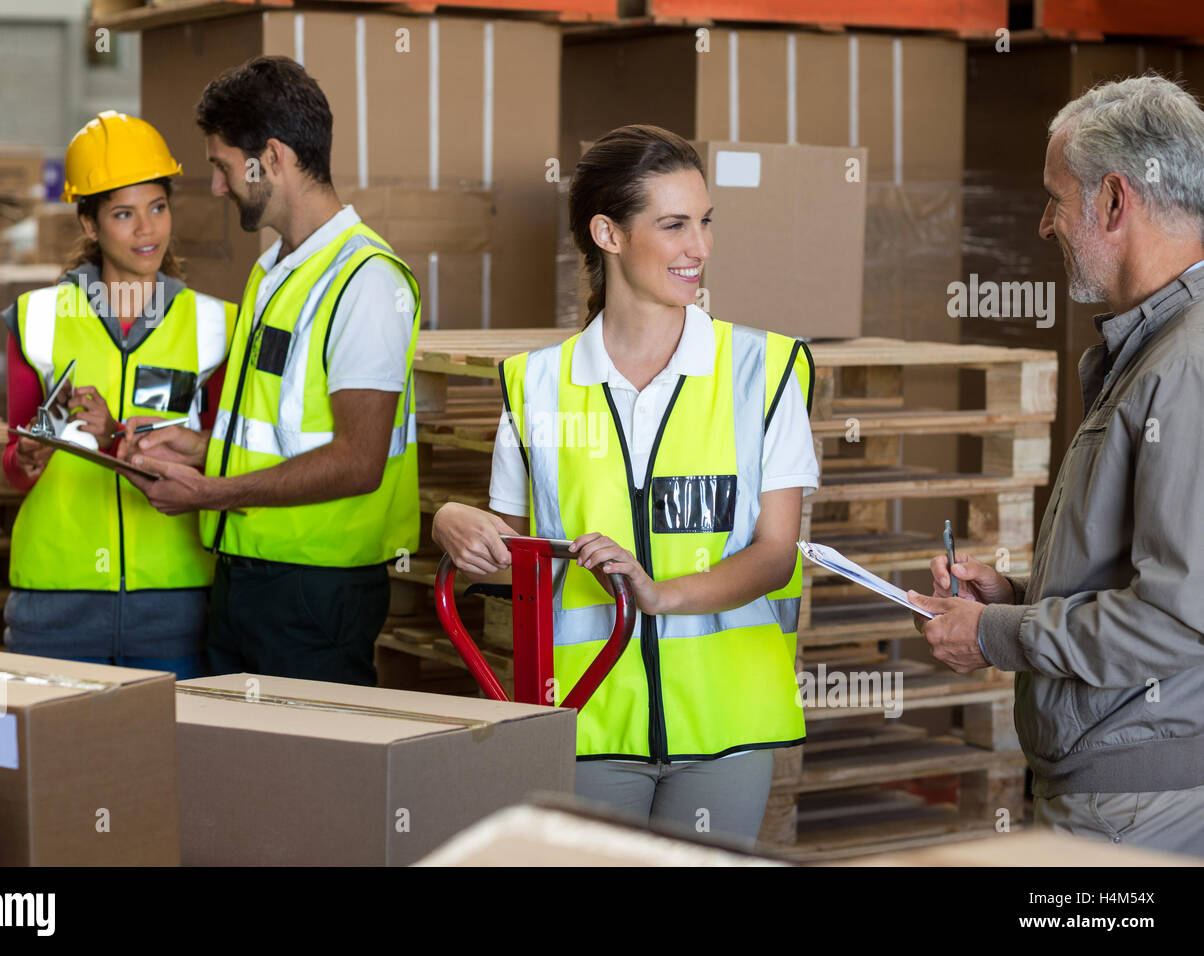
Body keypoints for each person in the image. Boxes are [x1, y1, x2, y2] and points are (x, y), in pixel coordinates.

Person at [430, 125, 818, 847]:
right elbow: (519, 561)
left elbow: (776, 554)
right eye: (674, 225)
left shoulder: (763, 372)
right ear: (607, 232)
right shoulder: (536, 386)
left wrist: (661, 594)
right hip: (585, 720)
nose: (698, 248)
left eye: (704, 222)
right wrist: (455, 520)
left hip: (727, 730)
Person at [909, 75, 1204, 857]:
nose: (1045, 225)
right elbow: (1150, 575)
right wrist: (1014, 597)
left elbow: (1178, 617)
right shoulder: (1151, 352)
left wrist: (998, 633)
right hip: (1114, 788)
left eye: (1055, 198)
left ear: (1114, 202)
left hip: (1136, 808)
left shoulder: (1188, 367)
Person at [121, 56, 421, 686]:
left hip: (315, 594)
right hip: (245, 578)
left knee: (311, 783)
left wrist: (212, 493)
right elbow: (283, 434)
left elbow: (358, 460)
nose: (219, 187)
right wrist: (206, 451)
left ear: (273, 158)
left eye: (223, 167)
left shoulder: (366, 282)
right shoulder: (272, 273)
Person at [2, 110, 237, 678]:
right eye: (124, 214)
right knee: (52, 761)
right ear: (90, 224)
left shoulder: (215, 326)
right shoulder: (36, 320)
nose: (146, 230)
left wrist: (115, 436)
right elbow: (12, 462)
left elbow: (225, 456)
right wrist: (27, 456)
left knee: (168, 761)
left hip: (175, 594)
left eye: (158, 208)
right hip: (55, 596)